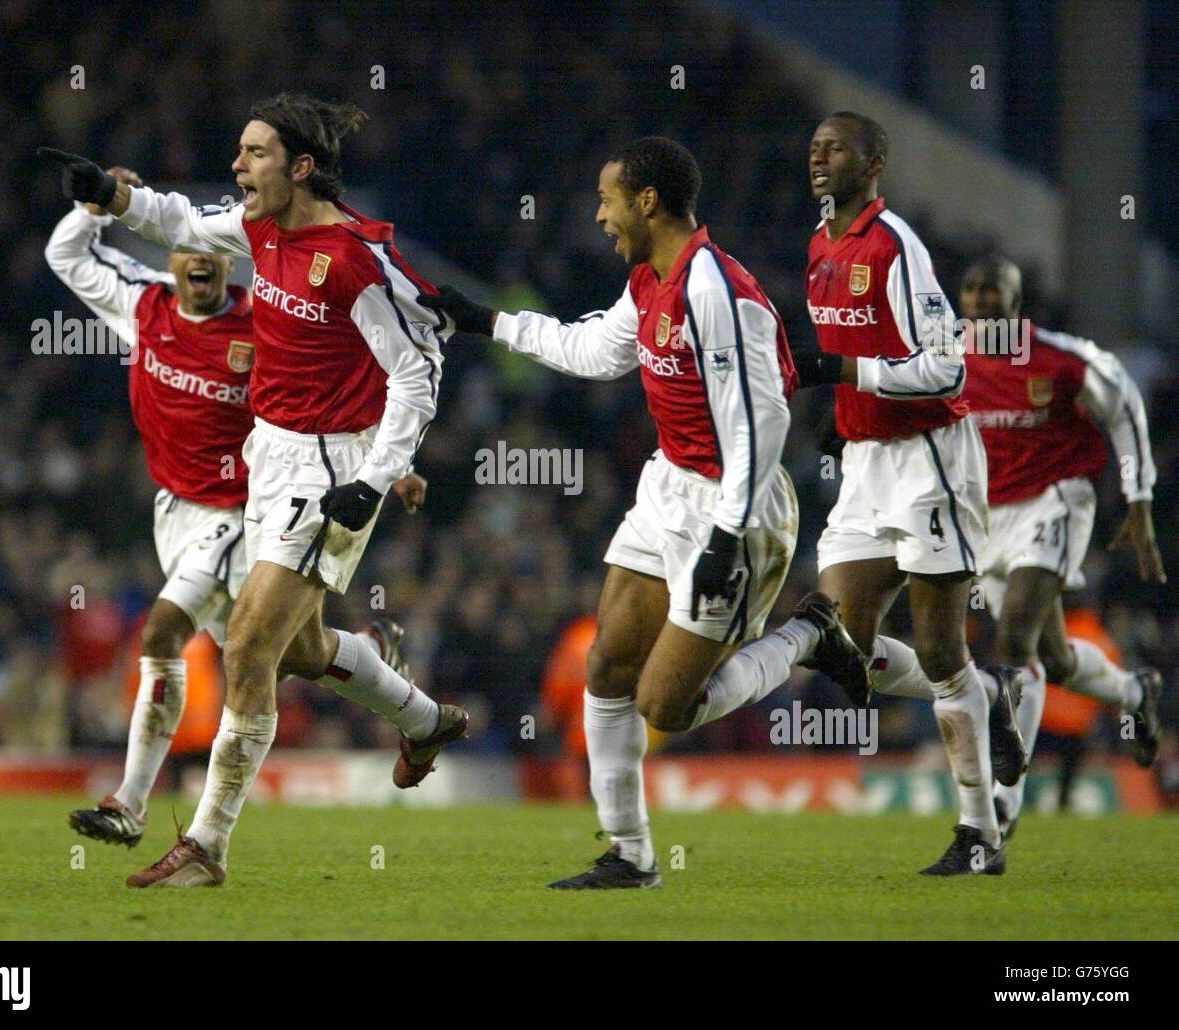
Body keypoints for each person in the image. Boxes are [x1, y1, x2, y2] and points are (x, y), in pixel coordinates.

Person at [40, 92, 464, 888]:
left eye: (254, 153)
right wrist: (111, 195)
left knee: (247, 647)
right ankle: (422, 716)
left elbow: (419, 369)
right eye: (239, 153)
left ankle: (206, 845)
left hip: (331, 468)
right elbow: (180, 223)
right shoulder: (258, 231)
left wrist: (376, 477)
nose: (237, 166)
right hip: (271, 458)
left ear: (301, 167)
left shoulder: (354, 259)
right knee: (299, 651)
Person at [422, 137, 866, 889]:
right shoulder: (648, 280)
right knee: (607, 666)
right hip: (670, 487)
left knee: (670, 704)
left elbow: (762, 427)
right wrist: (487, 322)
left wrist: (727, 536)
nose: (599, 216)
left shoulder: (716, 293)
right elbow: (595, 351)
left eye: (607, 199)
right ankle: (629, 855)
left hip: (740, 506)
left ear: (647, 201)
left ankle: (808, 634)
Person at [792, 112, 1024, 875]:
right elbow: (863, 354)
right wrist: (843, 419)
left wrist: (841, 376)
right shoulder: (820, 245)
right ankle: (987, 692)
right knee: (843, 647)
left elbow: (947, 369)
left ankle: (978, 833)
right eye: (816, 148)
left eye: (838, 149)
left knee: (936, 647)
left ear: (876, 161)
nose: (821, 158)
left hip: (930, 459)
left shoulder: (895, 246)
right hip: (866, 461)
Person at [959, 254, 1165, 838]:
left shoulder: (1061, 359)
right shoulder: (948, 358)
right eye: (969, 290)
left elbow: (1124, 410)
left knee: (1013, 639)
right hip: (987, 516)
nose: (977, 301)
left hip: (1056, 498)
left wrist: (1139, 499)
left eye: (990, 290)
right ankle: (1134, 690)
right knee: (1054, 658)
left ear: (1016, 301)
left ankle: (1003, 806)